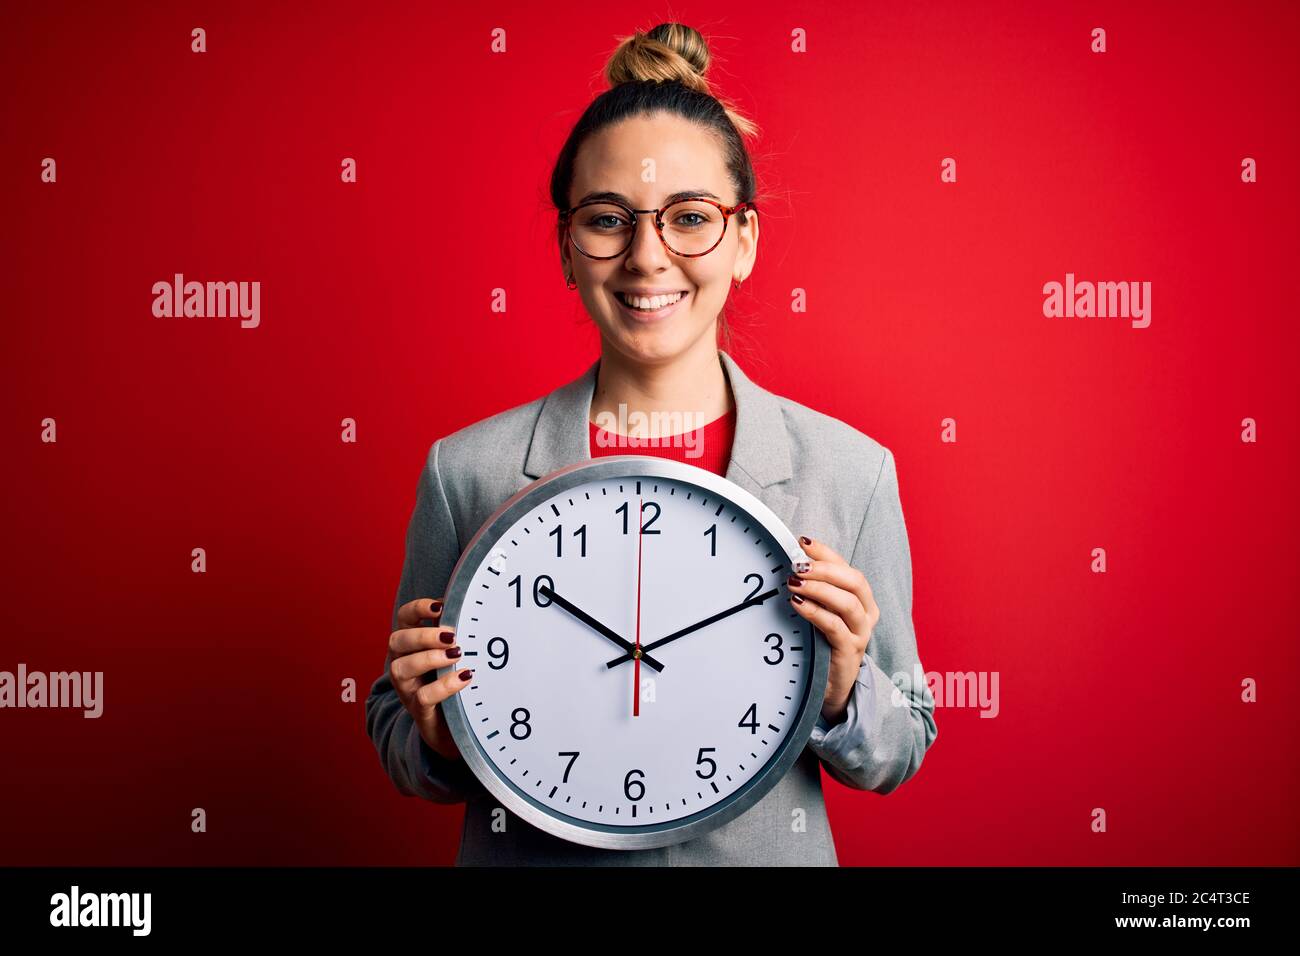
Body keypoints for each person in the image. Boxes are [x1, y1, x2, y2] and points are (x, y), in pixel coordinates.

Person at [365, 22, 938, 866]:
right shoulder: (468, 471)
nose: (646, 257)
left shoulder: (850, 472)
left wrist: (842, 691)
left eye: (690, 219)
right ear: (567, 246)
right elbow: (397, 729)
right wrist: (434, 732)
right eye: (607, 220)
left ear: (743, 240)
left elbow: (904, 745)